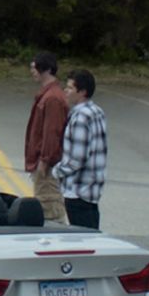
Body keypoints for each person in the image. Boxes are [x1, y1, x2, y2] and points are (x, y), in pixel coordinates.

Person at [53, 69, 108, 229]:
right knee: (92, 233)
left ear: (82, 92)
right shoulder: (97, 112)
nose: (66, 91)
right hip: (92, 189)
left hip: (77, 190)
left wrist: (57, 171)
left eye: (70, 88)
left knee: (82, 239)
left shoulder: (80, 118)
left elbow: (77, 159)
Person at [23, 52, 70, 223]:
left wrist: (45, 160)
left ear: (47, 69)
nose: (33, 71)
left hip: (47, 166)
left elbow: (52, 132)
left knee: (50, 209)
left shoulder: (53, 98)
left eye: (36, 67)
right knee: (45, 205)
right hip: (42, 163)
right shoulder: (48, 95)